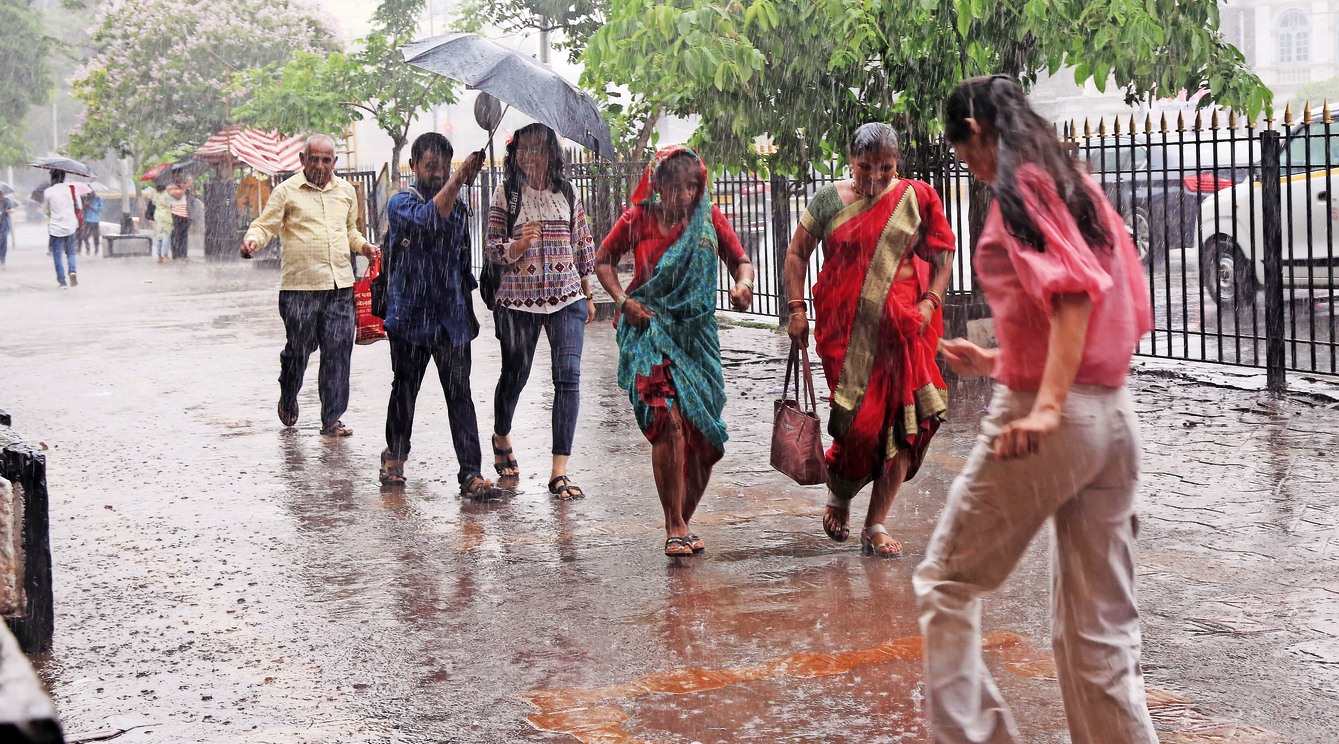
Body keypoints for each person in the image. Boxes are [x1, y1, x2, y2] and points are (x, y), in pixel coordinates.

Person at [914, 75, 1157, 744]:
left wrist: (1044, 403)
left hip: (1053, 420)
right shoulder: (1074, 185)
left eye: (965, 154)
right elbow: (1104, 308)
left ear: (976, 132)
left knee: (945, 584)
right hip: (1111, 418)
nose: (969, 167)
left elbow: (1073, 296)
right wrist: (998, 361)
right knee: (1095, 639)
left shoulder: (1022, 187)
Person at [783, 123, 956, 559]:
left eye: (886, 167)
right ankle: (839, 493)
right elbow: (796, 253)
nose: (875, 178)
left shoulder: (915, 199)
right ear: (850, 160)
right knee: (858, 427)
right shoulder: (827, 200)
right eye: (864, 168)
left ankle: (875, 522)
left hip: (903, 335)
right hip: (845, 334)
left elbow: (943, 253)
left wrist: (931, 302)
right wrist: (796, 309)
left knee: (908, 426)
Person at [593, 145, 755, 557]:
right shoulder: (638, 218)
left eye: (692, 188)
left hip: (696, 339)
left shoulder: (709, 219)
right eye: (675, 187)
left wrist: (743, 285)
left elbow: (741, 260)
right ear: (657, 185)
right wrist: (622, 300)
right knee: (669, 422)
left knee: (704, 435)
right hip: (649, 329)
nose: (684, 197)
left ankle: (682, 516)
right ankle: (674, 524)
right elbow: (603, 260)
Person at [380, 132, 500, 500]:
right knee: (405, 390)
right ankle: (395, 456)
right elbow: (427, 220)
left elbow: (462, 258)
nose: (437, 173)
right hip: (410, 316)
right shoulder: (400, 203)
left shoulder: (461, 209)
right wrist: (459, 178)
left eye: (444, 166)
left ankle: (471, 473)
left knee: (459, 394)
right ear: (413, 165)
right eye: (430, 166)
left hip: (451, 318)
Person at [241, 134, 379, 437]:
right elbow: (265, 225)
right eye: (313, 159)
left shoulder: (345, 192)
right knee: (299, 351)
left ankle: (331, 418)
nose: (319, 165)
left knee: (338, 351)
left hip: (340, 286)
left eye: (325, 160)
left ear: (334, 162)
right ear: (302, 160)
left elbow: (350, 231)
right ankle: (289, 390)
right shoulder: (286, 191)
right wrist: (253, 240)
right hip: (299, 289)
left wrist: (364, 247)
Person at [485, 123, 597, 499]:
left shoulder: (566, 191)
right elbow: (491, 248)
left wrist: (588, 290)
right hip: (518, 302)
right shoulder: (507, 193)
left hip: (567, 299)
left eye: (538, 149)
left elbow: (582, 241)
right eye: (524, 150)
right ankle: (502, 435)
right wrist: (517, 246)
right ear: (514, 155)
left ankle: (559, 471)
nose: (530, 157)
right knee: (515, 373)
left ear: (551, 154)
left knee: (568, 377)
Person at [43, 170, 80, 288]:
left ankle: (62, 281)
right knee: (71, 252)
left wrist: (52, 214)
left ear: (53, 178)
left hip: (56, 228)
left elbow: (46, 210)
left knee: (57, 255)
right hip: (70, 226)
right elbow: (78, 205)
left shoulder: (48, 192)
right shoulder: (71, 189)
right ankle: (72, 271)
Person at [167, 174, 191, 261]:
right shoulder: (170, 187)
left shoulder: (183, 186)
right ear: (174, 177)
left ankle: (184, 255)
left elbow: (187, 198)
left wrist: (187, 187)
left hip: (184, 214)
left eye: (181, 176)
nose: (180, 178)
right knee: (175, 235)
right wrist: (185, 187)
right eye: (178, 176)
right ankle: (176, 255)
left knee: (184, 236)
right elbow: (178, 197)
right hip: (175, 214)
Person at [151, 183, 173, 263]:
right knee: (166, 235)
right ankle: (166, 255)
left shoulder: (154, 193)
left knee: (159, 236)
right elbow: (171, 203)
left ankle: (159, 255)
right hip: (166, 214)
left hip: (157, 214)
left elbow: (153, 202)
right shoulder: (166, 193)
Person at [79, 190, 103, 255]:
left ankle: (96, 249)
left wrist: (92, 207)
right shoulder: (85, 199)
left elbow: (100, 208)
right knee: (84, 236)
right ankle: (88, 248)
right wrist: (85, 207)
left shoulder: (98, 199)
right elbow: (81, 209)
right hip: (87, 220)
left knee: (96, 236)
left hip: (95, 220)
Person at [0, 194, 13, 266]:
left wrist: (7, 211)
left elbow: (12, 210)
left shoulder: (7, 201)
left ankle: (2, 258)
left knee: (3, 239)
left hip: (4, 222)